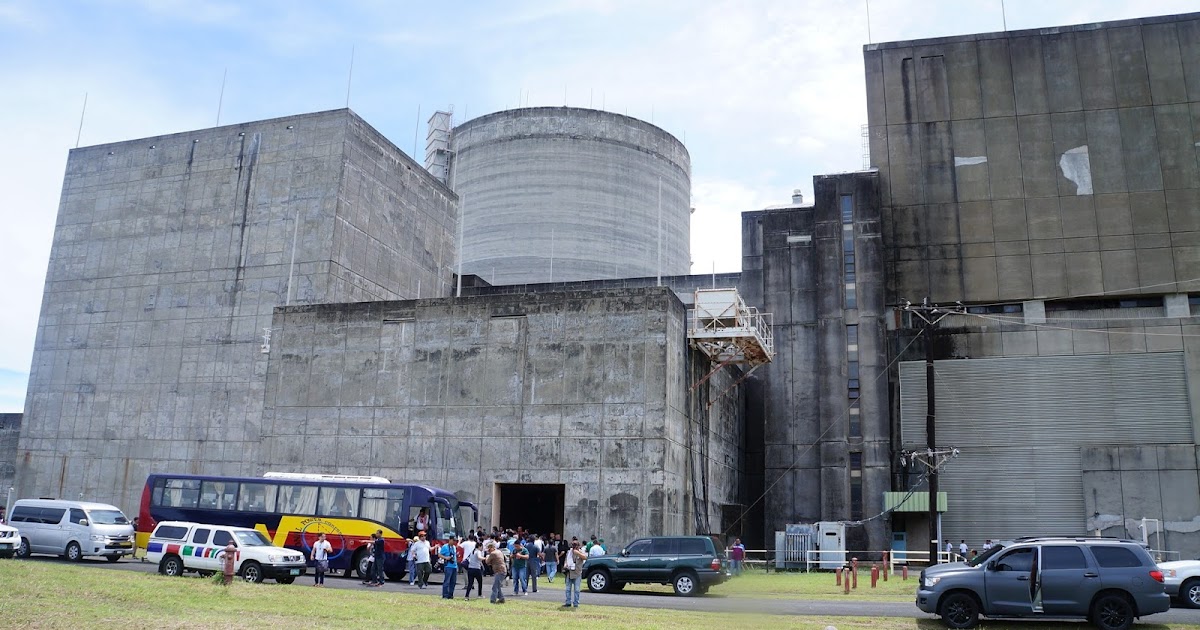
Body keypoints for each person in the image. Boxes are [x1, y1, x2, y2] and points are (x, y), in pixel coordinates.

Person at [561, 539, 587, 609]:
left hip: (577, 572)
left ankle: (576, 603)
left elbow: (585, 557)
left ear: (579, 546)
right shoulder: (569, 552)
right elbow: (566, 560)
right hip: (569, 572)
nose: (574, 547)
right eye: (573, 546)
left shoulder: (581, 552)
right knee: (568, 589)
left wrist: (577, 553)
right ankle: (568, 602)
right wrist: (565, 565)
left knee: (577, 589)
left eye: (576, 546)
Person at [464, 535, 485, 600]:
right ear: (479, 546)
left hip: (470, 569)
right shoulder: (478, 551)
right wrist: (485, 558)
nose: (482, 548)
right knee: (480, 582)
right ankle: (479, 594)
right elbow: (479, 557)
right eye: (482, 547)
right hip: (476, 569)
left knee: (470, 583)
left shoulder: (472, 551)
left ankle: (466, 596)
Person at [439, 535, 459, 599]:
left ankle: (450, 594)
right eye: (453, 540)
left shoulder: (454, 547)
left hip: (454, 566)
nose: (454, 542)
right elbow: (439, 554)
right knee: (447, 581)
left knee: (453, 581)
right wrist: (446, 558)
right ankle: (445, 594)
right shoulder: (445, 547)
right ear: (450, 540)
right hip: (448, 566)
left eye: (455, 541)